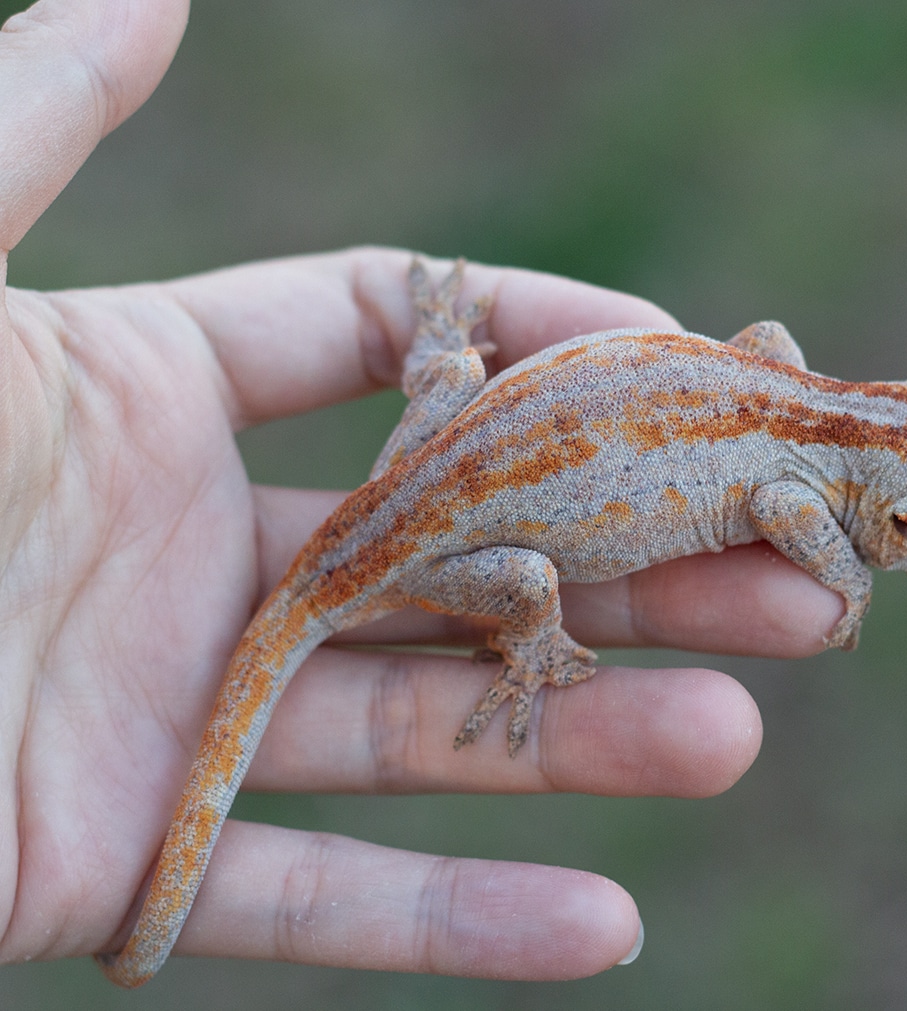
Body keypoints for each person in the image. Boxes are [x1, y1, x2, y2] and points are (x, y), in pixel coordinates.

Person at [0, 0, 842, 978]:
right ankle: (521, 636)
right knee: (529, 582)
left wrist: (445, 343)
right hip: (418, 546)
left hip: (413, 496)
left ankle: (443, 362)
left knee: (462, 399)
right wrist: (532, 642)